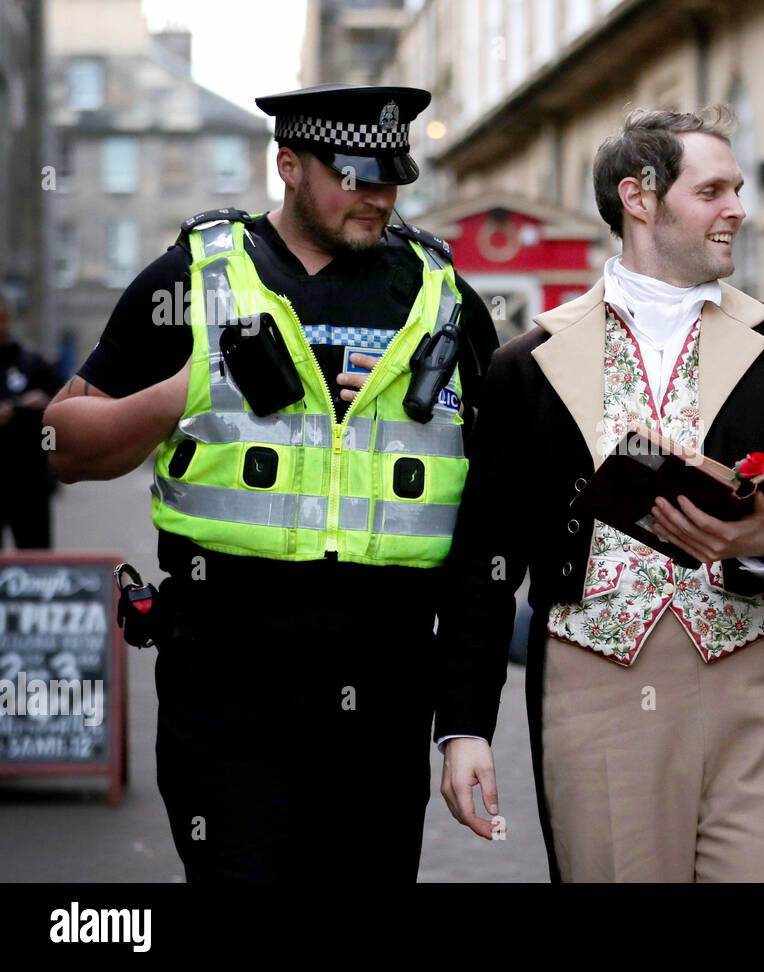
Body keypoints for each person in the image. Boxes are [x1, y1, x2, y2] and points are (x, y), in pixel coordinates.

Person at [42, 83, 499, 882]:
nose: (378, 197)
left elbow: (486, 515)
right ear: (287, 164)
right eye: (354, 176)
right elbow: (62, 441)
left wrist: (462, 720)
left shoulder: (440, 296)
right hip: (226, 681)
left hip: (383, 687)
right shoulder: (197, 277)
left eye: (391, 177)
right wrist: (192, 388)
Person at [435, 107, 764, 882]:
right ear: (639, 199)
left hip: (758, 686)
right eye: (712, 191)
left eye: (737, 188)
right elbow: (485, 556)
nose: (737, 207)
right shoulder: (526, 364)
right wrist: (464, 726)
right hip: (594, 689)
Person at [0, 293, 61, 548]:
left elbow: (60, 417)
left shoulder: (31, 363)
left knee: (36, 560)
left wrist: (53, 469)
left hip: (30, 481)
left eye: (2, 319)